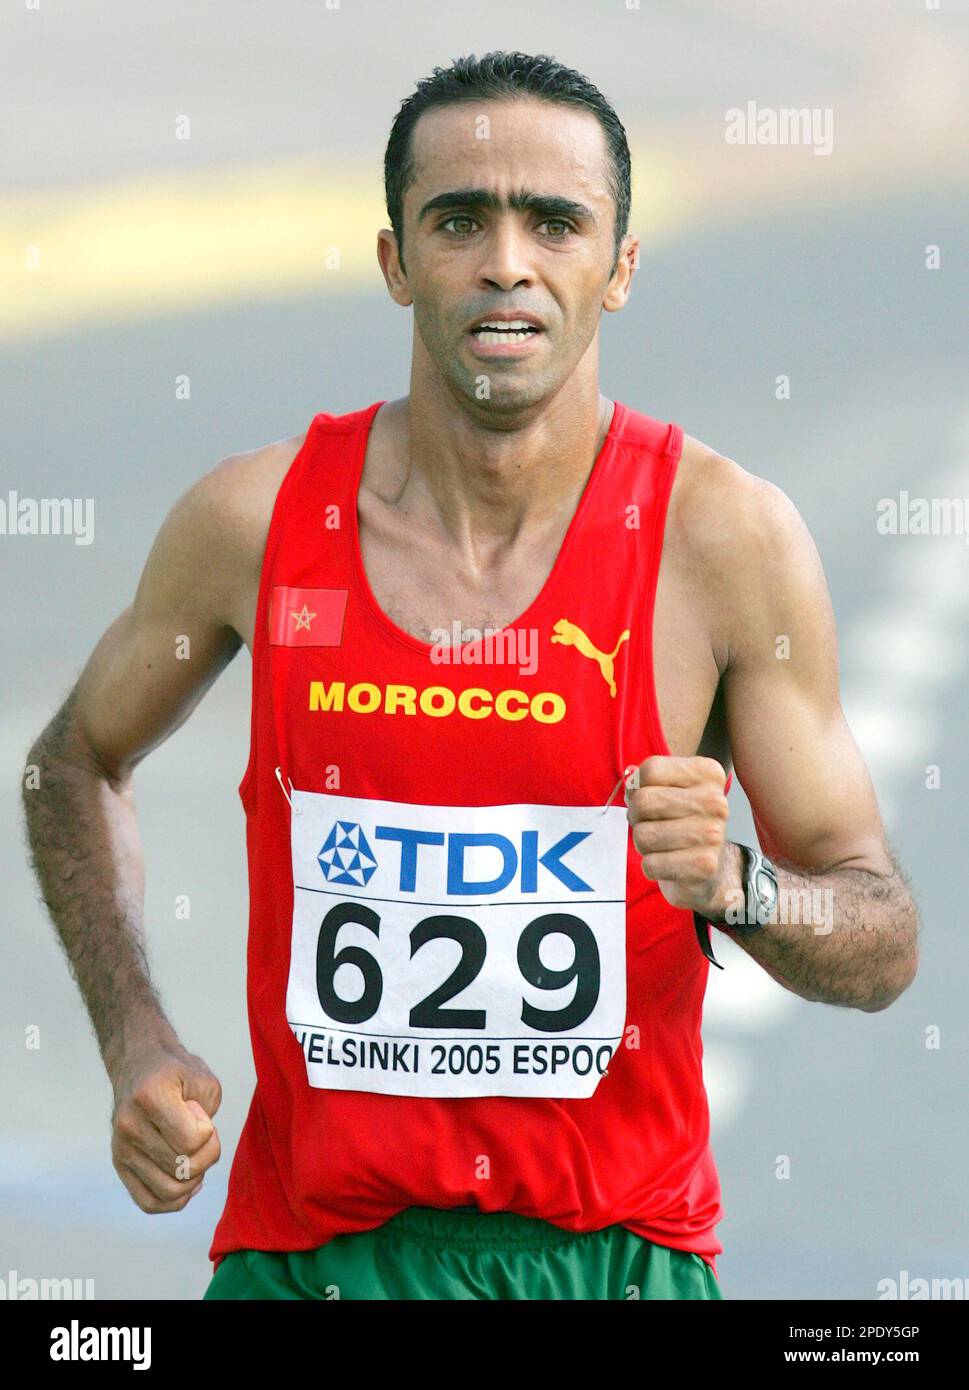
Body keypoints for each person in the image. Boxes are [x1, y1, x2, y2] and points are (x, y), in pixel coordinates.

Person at [21, 50, 919, 1302]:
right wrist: (133, 1035)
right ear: (395, 261)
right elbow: (71, 758)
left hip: (612, 1264)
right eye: (460, 220)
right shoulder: (255, 523)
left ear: (620, 267)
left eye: (555, 222)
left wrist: (739, 886)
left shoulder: (724, 543)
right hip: (310, 1262)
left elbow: (881, 939)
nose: (508, 261)